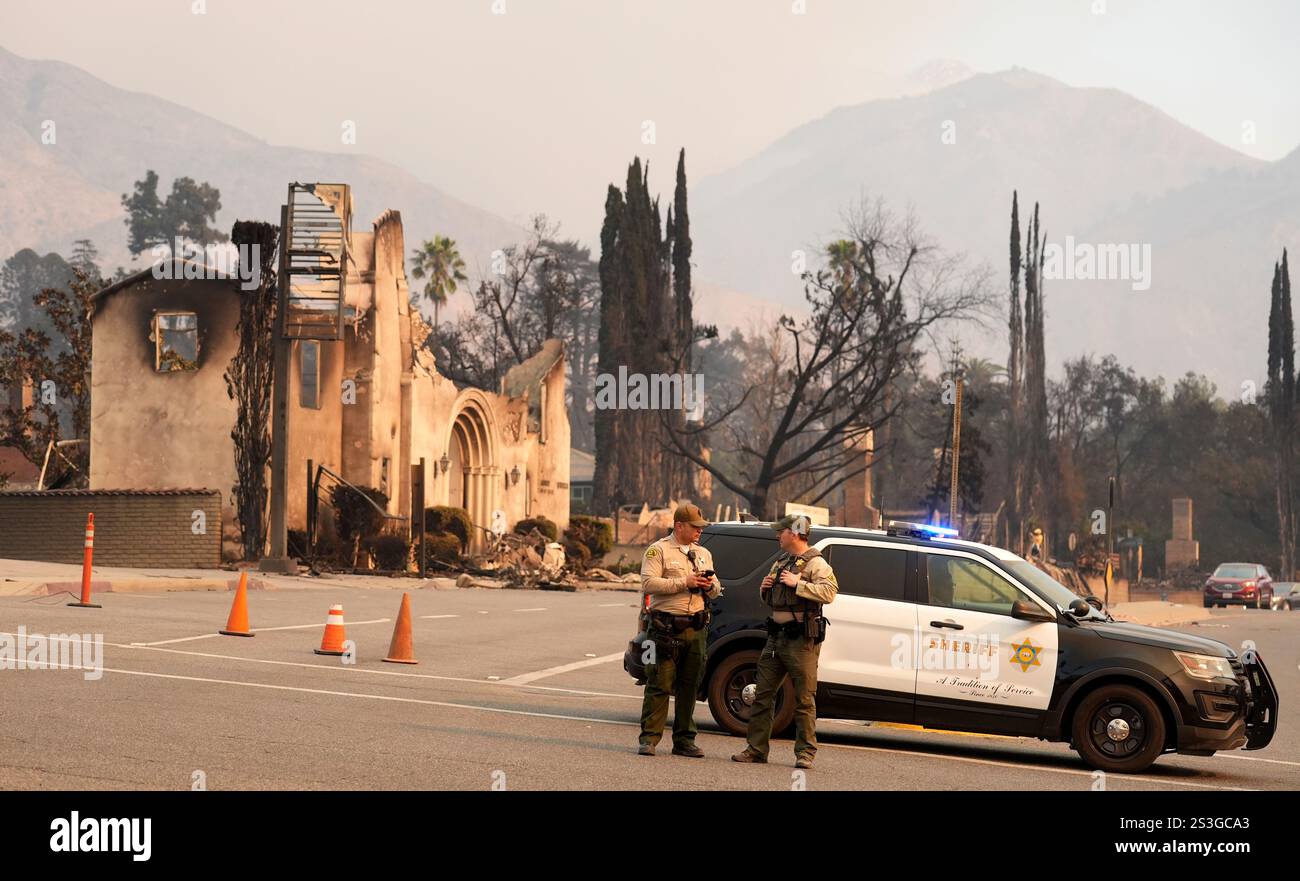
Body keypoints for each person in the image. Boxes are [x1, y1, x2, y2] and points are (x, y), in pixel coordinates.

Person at [732, 514, 837, 769]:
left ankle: (805, 753)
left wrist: (798, 583)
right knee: (762, 694)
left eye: (782, 531)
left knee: (803, 698)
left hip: (800, 640)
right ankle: (756, 748)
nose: (778, 535)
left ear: (795, 533)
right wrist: (765, 588)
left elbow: (829, 592)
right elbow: (772, 599)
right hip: (775, 637)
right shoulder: (781, 561)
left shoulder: (816, 564)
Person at [636, 503, 722, 757]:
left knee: (689, 686)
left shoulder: (704, 553)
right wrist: (684, 581)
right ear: (679, 526)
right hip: (664, 628)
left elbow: (717, 589)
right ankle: (649, 738)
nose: (699, 532)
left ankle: (684, 740)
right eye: (695, 527)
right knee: (659, 682)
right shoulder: (658, 551)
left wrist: (708, 586)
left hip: (695, 629)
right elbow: (648, 583)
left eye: (701, 528)